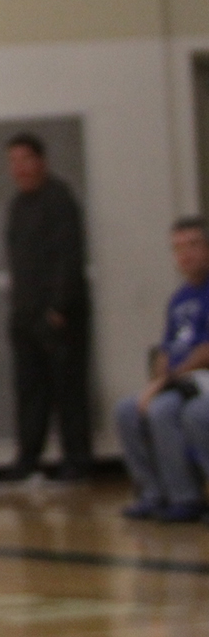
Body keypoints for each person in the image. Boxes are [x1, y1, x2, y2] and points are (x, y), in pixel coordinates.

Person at [4, 132, 94, 482]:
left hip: (60, 316)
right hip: (25, 316)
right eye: (12, 161)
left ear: (41, 161)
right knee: (29, 389)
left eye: (24, 159)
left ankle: (77, 460)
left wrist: (58, 307)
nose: (18, 168)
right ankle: (28, 459)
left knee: (68, 389)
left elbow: (69, 257)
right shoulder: (16, 206)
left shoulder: (60, 200)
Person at [113, 217, 209, 522]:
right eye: (178, 248)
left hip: (201, 379)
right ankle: (154, 492)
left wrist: (165, 382)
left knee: (163, 409)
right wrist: (158, 377)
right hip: (177, 380)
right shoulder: (178, 298)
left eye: (193, 245)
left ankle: (186, 496)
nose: (185, 254)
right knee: (127, 409)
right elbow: (166, 349)